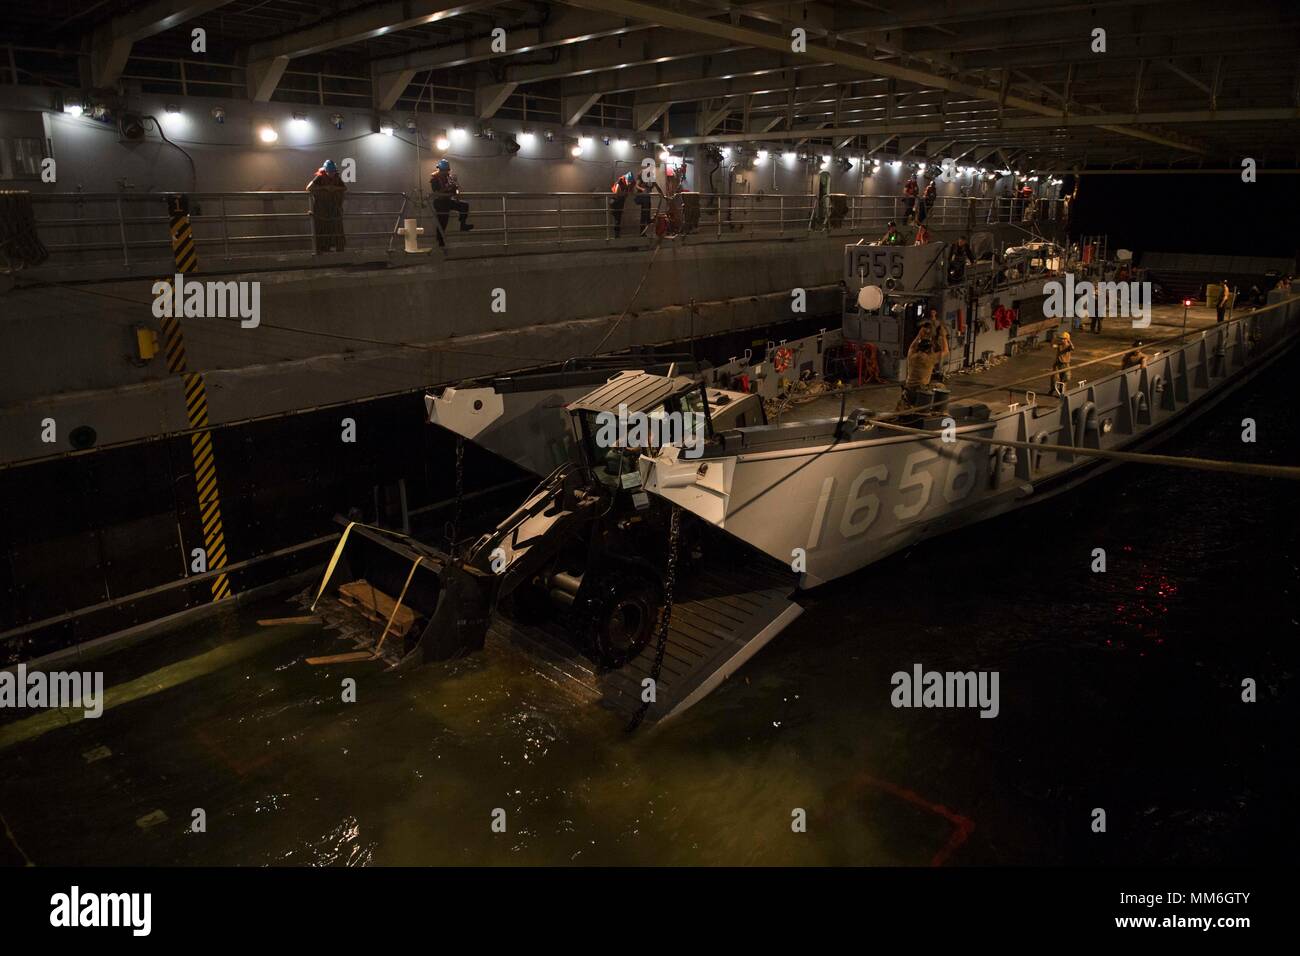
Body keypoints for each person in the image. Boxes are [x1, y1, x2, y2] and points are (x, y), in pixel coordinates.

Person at [305, 158, 346, 253]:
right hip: (321, 209)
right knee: (322, 228)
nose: (331, 174)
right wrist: (324, 188)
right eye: (330, 172)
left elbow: (344, 188)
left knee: (336, 228)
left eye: (333, 172)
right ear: (326, 171)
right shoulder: (319, 177)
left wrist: (334, 188)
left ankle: (339, 249)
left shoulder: (336, 177)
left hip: (333, 208)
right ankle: (322, 249)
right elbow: (309, 188)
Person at [429, 158, 472, 247]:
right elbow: (437, 193)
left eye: (447, 170)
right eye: (445, 170)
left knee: (464, 205)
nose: (447, 172)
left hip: (448, 200)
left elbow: (455, 188)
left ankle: (463, 225)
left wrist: (456, 192)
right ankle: (440, 241)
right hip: (440, 202)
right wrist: (449, 188)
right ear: (440, 170)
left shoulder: (448, 177)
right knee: (443, 221)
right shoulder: (435, 179)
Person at [896, 322, 937, 410]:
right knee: (940, 387)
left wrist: (919, 334)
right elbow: (946, 350)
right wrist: (943, 335)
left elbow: (911, 347)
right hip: (921, 392)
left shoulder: (911, 356)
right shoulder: (930, 360)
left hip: (908, 390)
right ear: (929, 349)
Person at [609, 171, 650, 238]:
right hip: (615, 202)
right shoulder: (619, 183)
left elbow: (631, 191)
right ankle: (616, 235)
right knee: (617, 218)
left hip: (620, 202)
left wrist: (628, 191)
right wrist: (625, 192)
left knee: (618, 218)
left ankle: (617, 234)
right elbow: (616, 194)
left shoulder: (627, 184)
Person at [928, 308, 951, 384]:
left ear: (936, 313)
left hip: (937, 341)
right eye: (931, 312)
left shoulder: (939, 322)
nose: (932, 313)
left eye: (933, 312)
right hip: (930, 341)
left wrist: (944, 335)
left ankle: (938, 372)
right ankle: (931, 372)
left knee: (940, 356)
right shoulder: (927, 322)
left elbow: (945, 330)